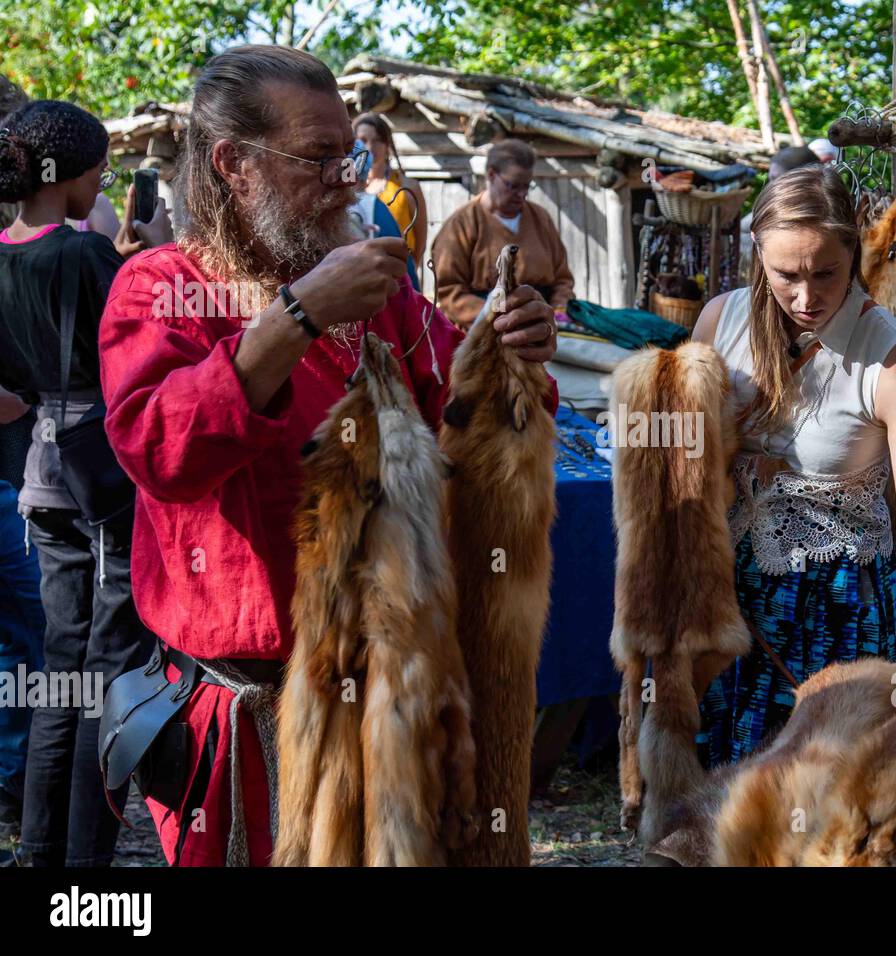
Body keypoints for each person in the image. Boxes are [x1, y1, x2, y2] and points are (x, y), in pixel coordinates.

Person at [97, 44, 559, 866]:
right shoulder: (161, 285)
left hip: (388, 704)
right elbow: (158, 449)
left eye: (349, 153)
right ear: (233, 164)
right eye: (318, 158)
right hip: (248, 722)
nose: (349, 179)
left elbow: (469, 415)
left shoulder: (380, 294)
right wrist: (294, 320)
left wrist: (513, 351)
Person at [691, 164, 896, 766]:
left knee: (825, 814)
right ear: (757, 252)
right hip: (731, 621)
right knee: (726, 814)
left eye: (826, 274)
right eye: (786, 275)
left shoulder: (891, 360)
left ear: (854, 254)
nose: (807, 298)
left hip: (839, 621)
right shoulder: (719, 321)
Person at [0, 99, 171, 866]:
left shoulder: (4, 251)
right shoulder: (85, 256)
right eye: (99, 167)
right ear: (70, 174)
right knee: (107, 674)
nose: (104, 180)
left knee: (57, 677)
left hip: (38, 473)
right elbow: (150, 349)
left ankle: (40, 852)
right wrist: (153, 260)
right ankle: (84, 864)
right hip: (100, 478)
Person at [431, 138, 575, 328]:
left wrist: (558, 310)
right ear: (491, 175)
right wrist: (498, 317)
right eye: (513, 185)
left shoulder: (541, 219)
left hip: (540, 327)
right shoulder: (461, 225)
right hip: (486, 329)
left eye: (527, 186)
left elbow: (562, 280)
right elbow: (449, 292)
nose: (522, 194)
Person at [353, 112, 428, 280]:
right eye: (363, 140)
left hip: (400, 276)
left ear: (387, 145)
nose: (370, 147)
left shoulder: (408, 187)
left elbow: (420, 243)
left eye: (377, 140)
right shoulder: (351, 191)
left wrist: (407, 275)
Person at [739, 145, 822, 282]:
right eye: (771, 178)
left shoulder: (819, 214)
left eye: (776, 178)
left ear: (800, 180)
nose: (770, 185)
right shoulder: (774, 203)